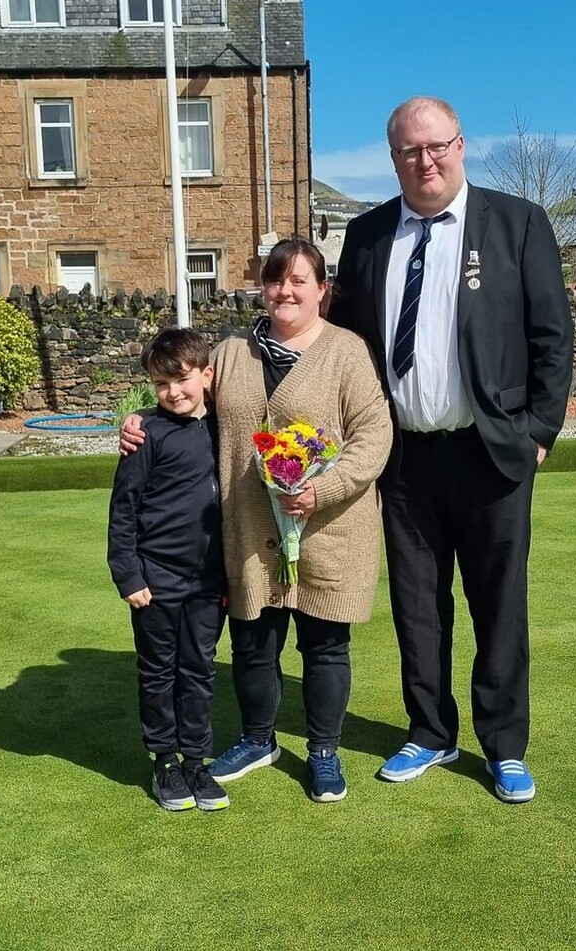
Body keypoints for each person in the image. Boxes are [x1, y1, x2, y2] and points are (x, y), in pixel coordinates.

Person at [328, 96, 574, 803]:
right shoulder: (370, 233)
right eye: (409, 150)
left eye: (436, 145)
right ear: (393, 157)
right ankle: (430, 731)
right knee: (417, 605)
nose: (424, 160)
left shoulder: (517, 223)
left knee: (498, 604)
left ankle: (503, 746)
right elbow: (340, 342)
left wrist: (538, 431)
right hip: (403, 459)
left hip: (492, 452)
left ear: (461, 146)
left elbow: (551, 337)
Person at [121, 240, 392, 804]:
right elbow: (185, 398)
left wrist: (324, 488)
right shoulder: (230, 353)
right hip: (248, 530)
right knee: (253, 643)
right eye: (275, 281)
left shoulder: (347, 353)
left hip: (329, 527)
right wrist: (138, 418)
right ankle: (256, 739)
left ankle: (323, 751)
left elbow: (374, 435)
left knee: (324, 645)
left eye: (299, 281)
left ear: (323, 290)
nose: (285, 292)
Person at [107, 327, 228, 812]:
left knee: (198, 671)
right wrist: (128, 575)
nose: (172, 392)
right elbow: (123, 512)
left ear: (206, 375)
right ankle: (164, 761)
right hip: (155, 584)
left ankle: (197, 762)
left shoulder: (223, 429)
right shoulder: (146, 436)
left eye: (181, 380)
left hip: (208, 583)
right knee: (158, 672)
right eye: (161, 383)